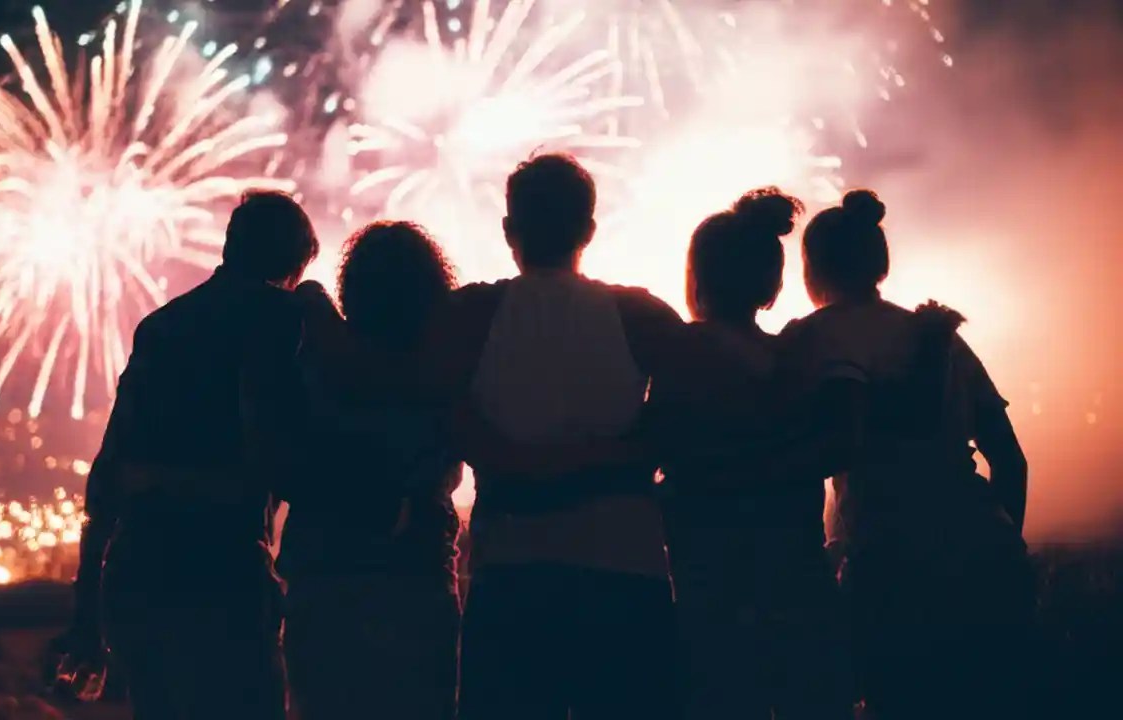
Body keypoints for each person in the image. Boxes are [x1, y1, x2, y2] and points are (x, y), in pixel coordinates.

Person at [426, 153, 683, 719]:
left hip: (512, 566)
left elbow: (440, 412)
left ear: (508, 230)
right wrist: (610, 460)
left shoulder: (469, 313)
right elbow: (688, 417)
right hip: (625, 564)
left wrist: (522, 467)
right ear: (589, 230)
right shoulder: (642, 315)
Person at [60, 191, 319, 720]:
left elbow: (107, 476)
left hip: (142, 574)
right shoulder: (285, 319)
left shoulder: (161, 328)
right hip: (225, 573)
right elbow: (293, 461)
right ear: (293, 266)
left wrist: (86, 614)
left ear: (228, 246)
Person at [780, 190, 1033, 720]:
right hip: (990, 559)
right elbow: (1010, 460)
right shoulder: (940, 337)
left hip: (893, 566)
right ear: (880, 263)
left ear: (809, 270)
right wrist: (1007, 543)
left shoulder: (814, 334)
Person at [647, 189, 853, 720]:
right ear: (771, 281)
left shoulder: (683, 351)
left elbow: (661, 442)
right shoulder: (799, 353)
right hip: (796, 572)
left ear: (698, 277)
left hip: (710, 575)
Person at [279, 222, 463, 720]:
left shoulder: (313, 365)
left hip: (324, 575)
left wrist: (315, 300)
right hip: (417, 577)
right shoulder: (445, 371)